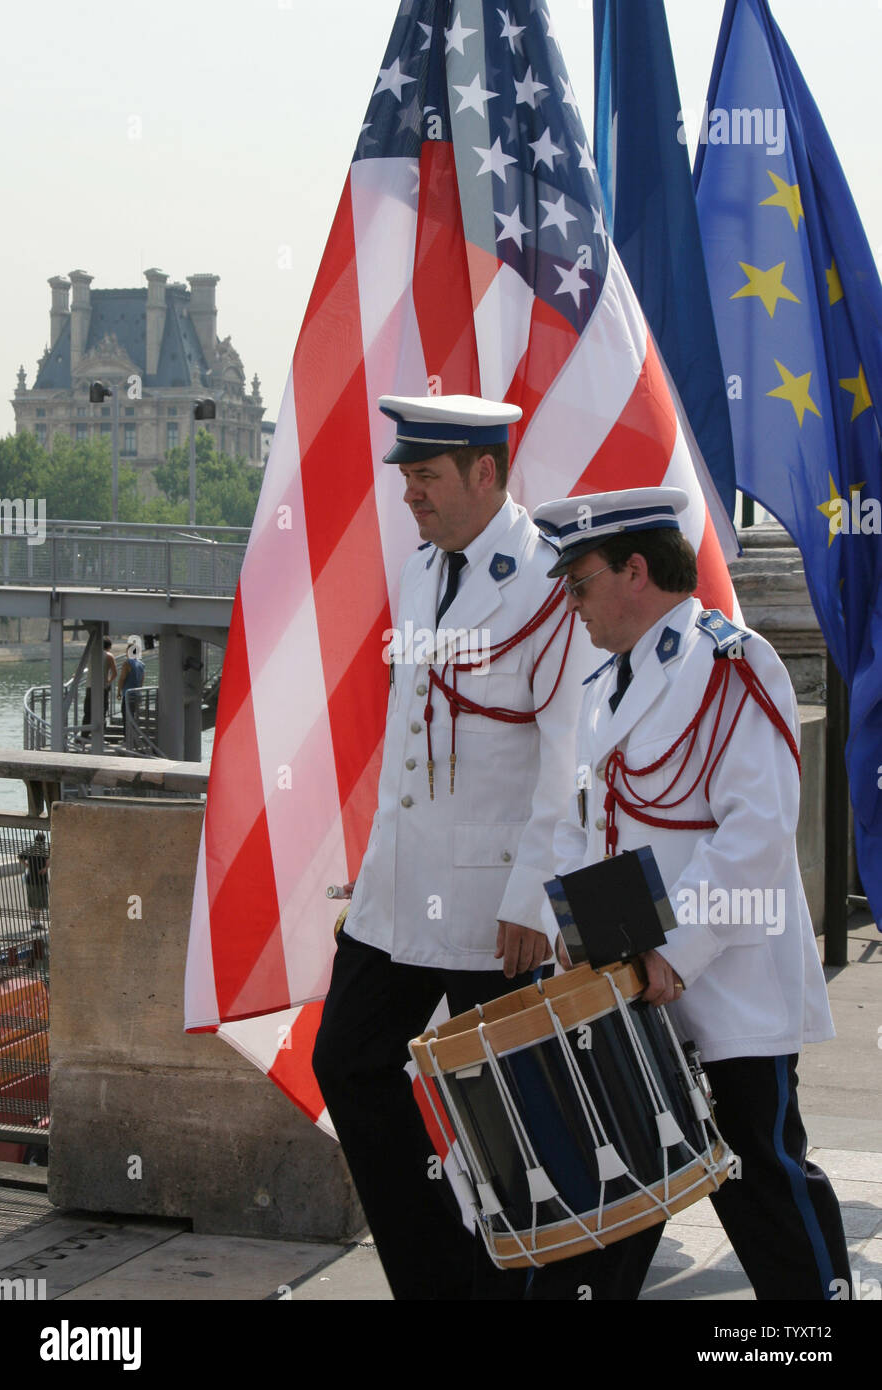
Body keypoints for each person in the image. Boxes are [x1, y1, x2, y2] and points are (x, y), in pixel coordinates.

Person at [532, 485, 851, 1301]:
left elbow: (756, 832)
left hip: (726, 993)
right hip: (629, 1000)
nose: (572, 607)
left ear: (636, 570)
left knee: (764, 1186)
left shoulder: (732, 663)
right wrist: (568, 933)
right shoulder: (601, 684)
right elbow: (581, 825)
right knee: (615, 1200)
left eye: (581, 584)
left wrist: (672, 951)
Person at [311, 394, 596, 1301]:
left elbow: (570, 750)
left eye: (426, 477)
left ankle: (523, 1286)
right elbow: (412, 735)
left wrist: (534, 895)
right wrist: (377, 875)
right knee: (348, 1063)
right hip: (402, 892)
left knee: (516, 1121)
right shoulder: (423, 568)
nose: (410, 495)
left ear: (485, 471)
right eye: (405, 477)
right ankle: (440, 1282)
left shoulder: (550, 581)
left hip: (493, 906)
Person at [81, 636, 117, 736]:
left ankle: (83, 736)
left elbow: (85, 667)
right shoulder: (109, 656)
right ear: (109, 647)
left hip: (89, 687)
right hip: (102, 688)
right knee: (101, 713)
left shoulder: (92, 654)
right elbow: (114, 673)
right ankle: (99, 737)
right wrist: (108, 682)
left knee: (88, 713)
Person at [117, 635, 146, 729]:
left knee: (126, 716)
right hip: (137, 694)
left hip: (128, 694)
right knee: (134, 717)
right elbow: (142, 681)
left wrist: (118, 692)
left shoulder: (127, 663)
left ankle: (127, 739)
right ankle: (132, 738)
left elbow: (122, 678)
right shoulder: (142, 664)